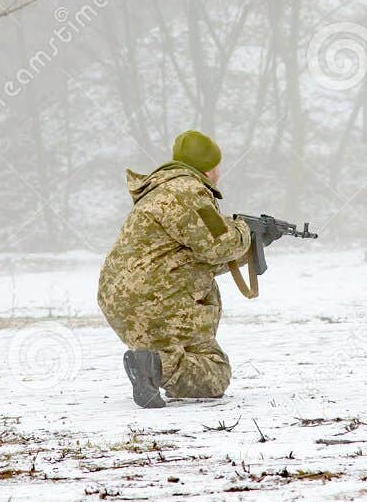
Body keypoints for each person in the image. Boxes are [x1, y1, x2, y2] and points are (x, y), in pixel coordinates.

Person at [97, 130, 252, 408]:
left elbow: (198, 261)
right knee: (215, 374)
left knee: (202, 361)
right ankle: (155, 366)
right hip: (158, 301)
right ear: (210, 166)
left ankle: (153, 364)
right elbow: (220, 246)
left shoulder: (162, 191)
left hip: (130, 300)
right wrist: (245, 231)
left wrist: (248, 249)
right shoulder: (187, 192)